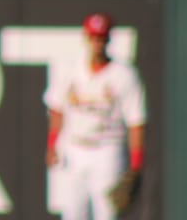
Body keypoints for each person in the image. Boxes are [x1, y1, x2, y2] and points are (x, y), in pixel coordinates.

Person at [44, 12, 148, 220]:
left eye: (101, 37)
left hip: (107, 149)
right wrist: (52, 143)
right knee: (72, 214)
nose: (97, 43)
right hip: (73, 147)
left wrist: (136, 164)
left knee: (106, 215)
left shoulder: (123, 75)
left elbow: (136, 121)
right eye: (93, 37)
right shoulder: (70, 69)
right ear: (85, 38)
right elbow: (57, 108)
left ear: (108, 39)